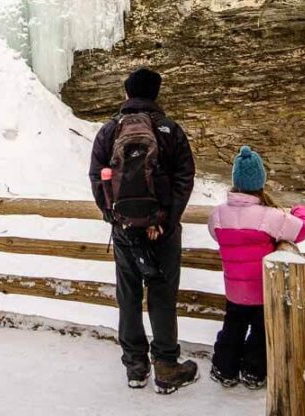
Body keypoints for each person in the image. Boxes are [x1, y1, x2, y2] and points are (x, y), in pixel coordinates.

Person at [89, 67, 199, 394]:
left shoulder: (109, 131)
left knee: (129, 294)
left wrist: (115, 217)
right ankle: (166, 365)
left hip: (124, 229)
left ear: (127, 93)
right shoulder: (169, 129)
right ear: (155, 94)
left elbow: (98, 178)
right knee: (163, 294)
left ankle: (135, 366)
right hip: (161, 229)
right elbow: (184, 177)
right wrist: (165, 219)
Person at [207, 146, 305, 389]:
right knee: (260, 331)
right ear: (260, 182)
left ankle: (224, 369)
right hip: (262, 288)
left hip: (234, 288)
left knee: (232, 327)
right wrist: (301, 211)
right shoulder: (269, 215)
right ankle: (254, 372)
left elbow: (215, 234)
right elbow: (301, 230)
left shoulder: (218, 214)